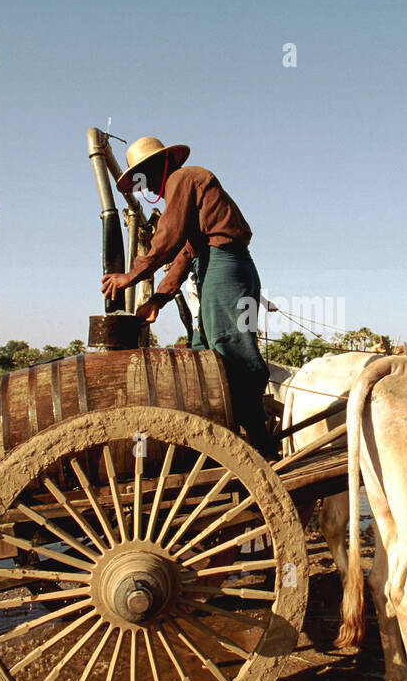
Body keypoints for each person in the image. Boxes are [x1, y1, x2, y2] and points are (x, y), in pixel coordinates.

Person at [100, 137, 277, 458]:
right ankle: (225, 437)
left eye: (146, 174)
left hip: (224, 268)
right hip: (221, 268)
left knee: (231, 349)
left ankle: (259, 444)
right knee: (204, 352)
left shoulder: (184, 178)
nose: (145, 183)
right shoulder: (186, 196)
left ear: (163, 164)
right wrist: (157, 299)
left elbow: (167, 239)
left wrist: (130, 276)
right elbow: (183, 257)